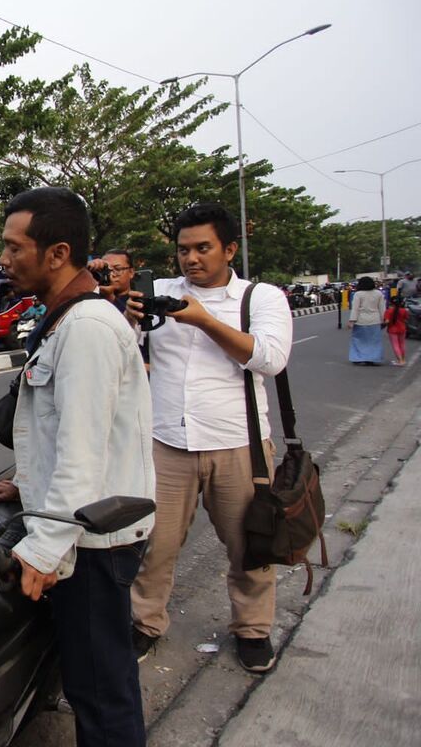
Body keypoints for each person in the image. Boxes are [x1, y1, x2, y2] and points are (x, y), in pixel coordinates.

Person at [0, 187, 155, 747]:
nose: (4, 259)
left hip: (93, 541)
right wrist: (26, 485)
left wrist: (45, 547)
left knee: (101, 689)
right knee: (87, 674)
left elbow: (84, 451)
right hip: (80, 526)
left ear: (56, 254)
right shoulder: (63, 320)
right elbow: (59, 435)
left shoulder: (87, 330)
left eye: (13, 247)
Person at [127, 202, 293, 674]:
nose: (191, 259)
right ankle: (146, 622)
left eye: (203, 248)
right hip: (166, 443)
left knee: (249, 546)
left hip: (237, 443)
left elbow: (270, 358)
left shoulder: (258, 298)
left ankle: (253, 630)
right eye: (183, 250)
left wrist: (204, 321)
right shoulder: (157, 292)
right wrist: (131, 314)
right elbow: (124, 343)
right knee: (154, 545)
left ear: (230, 249)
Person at [348, 275, 386, 365]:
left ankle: (358, 358)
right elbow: (382, 308)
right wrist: (384, 319)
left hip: (361, 320)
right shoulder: (378, 293)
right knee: (374, 341)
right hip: (375, 320)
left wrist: (351, 321)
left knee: (359, 340)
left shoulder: (358, 294)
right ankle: (373, 358)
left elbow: (355, 309)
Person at [102, 248, 136, 313]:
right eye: (105, 270)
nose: (111, 274)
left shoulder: (137, 301)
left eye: (117, 269)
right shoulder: (94, 297)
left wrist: (111, 297)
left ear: (131, 272)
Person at [384, 294, 409, 366]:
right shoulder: (404, 310)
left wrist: (382, 324)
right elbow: (406, 319)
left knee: (395, 345)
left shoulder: (389, 311)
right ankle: (403, 360)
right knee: (402, 344)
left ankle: (400, 361)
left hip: (392, 330)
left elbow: (387, 321)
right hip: (402, 328)